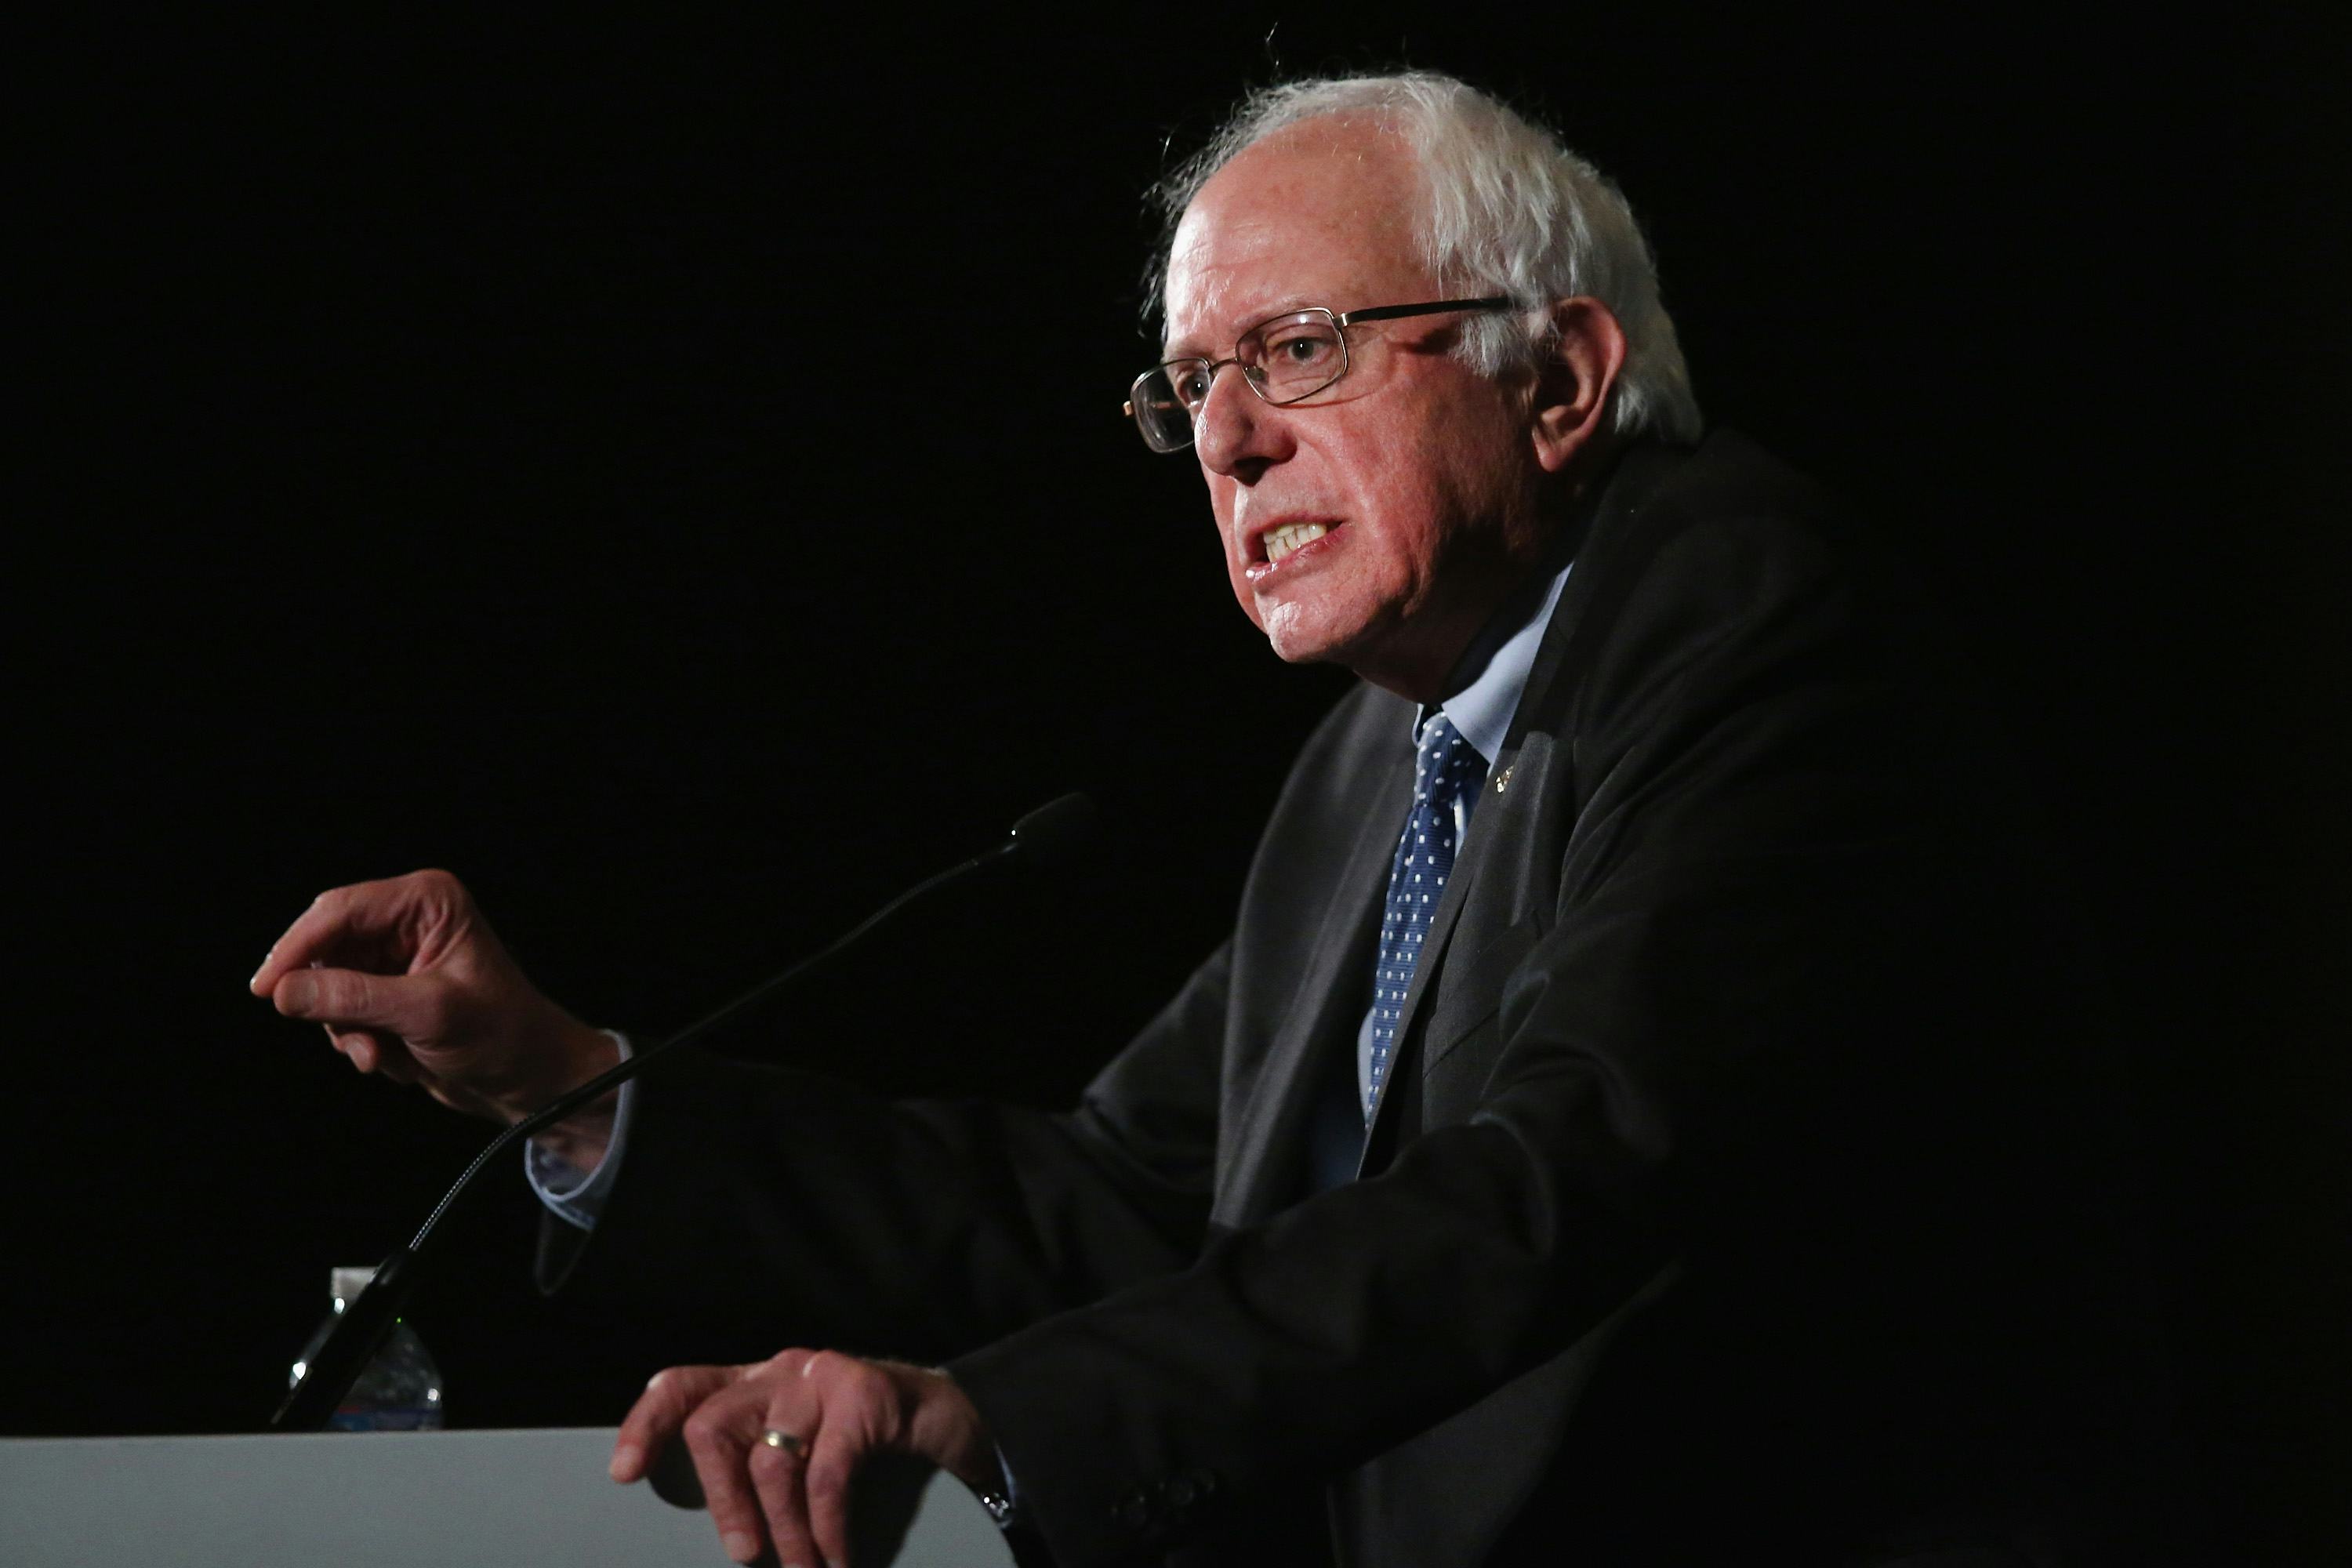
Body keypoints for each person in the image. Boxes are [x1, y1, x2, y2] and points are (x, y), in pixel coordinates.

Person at [252, 73, 2184, 1568]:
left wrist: (985, 1421)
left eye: (1300, 350)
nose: (1233, 440)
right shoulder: (1375, 758)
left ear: (1566, 377)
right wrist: (581, 1090)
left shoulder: (1750, 627)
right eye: (1193, 389)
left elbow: (1564, 1174)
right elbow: (1124, 1203)